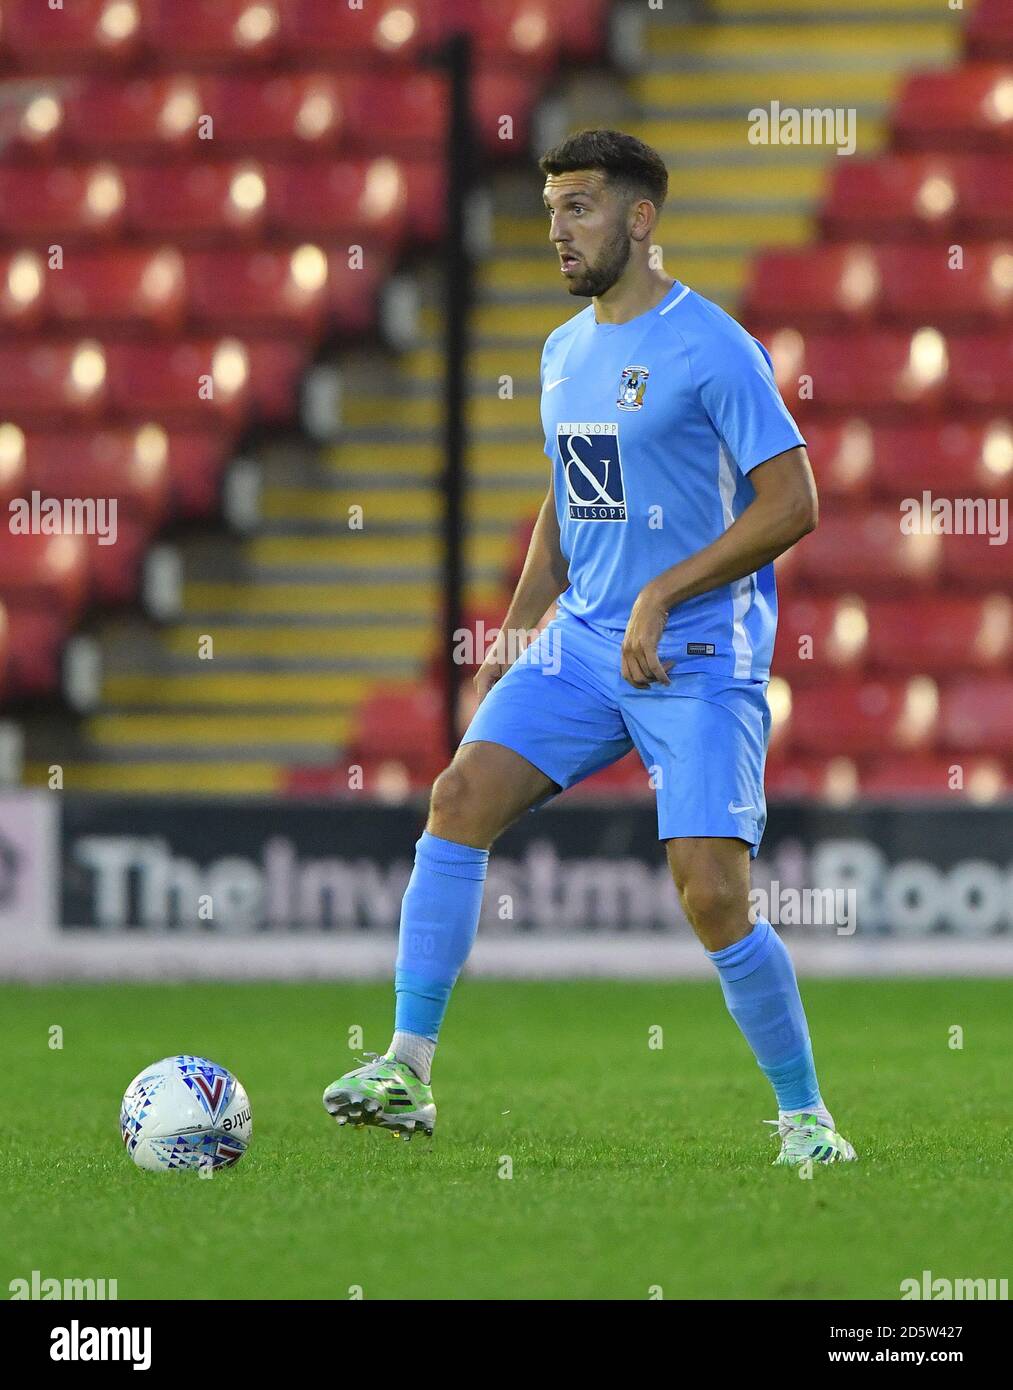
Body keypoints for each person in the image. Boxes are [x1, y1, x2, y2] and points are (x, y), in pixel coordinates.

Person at [323, 129, 856, 1167]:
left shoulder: (714, 348)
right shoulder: (563, 354)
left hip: (697, 655)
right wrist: (514, 633)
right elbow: (573, 506)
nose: (557, 231)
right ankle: (405, 1066)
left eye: (578, 207)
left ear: (639, 218)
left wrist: (663, 590)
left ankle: (806, 1121)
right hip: (583, 645)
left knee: (708, 893)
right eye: (551, 209)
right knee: (457, 796)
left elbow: (792, 503)